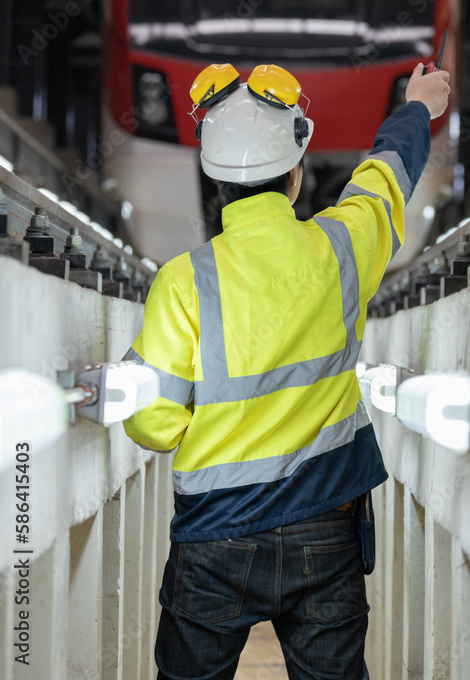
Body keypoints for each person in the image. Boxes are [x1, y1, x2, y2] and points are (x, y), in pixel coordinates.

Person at [123, 59, 450, 680]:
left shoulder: (184, 282)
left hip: (214, 537)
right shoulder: (342, 248)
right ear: (295, 174)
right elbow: (384, 180)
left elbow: (154, 424)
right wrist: (416, 108)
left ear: (214, 179)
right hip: (326, 528)